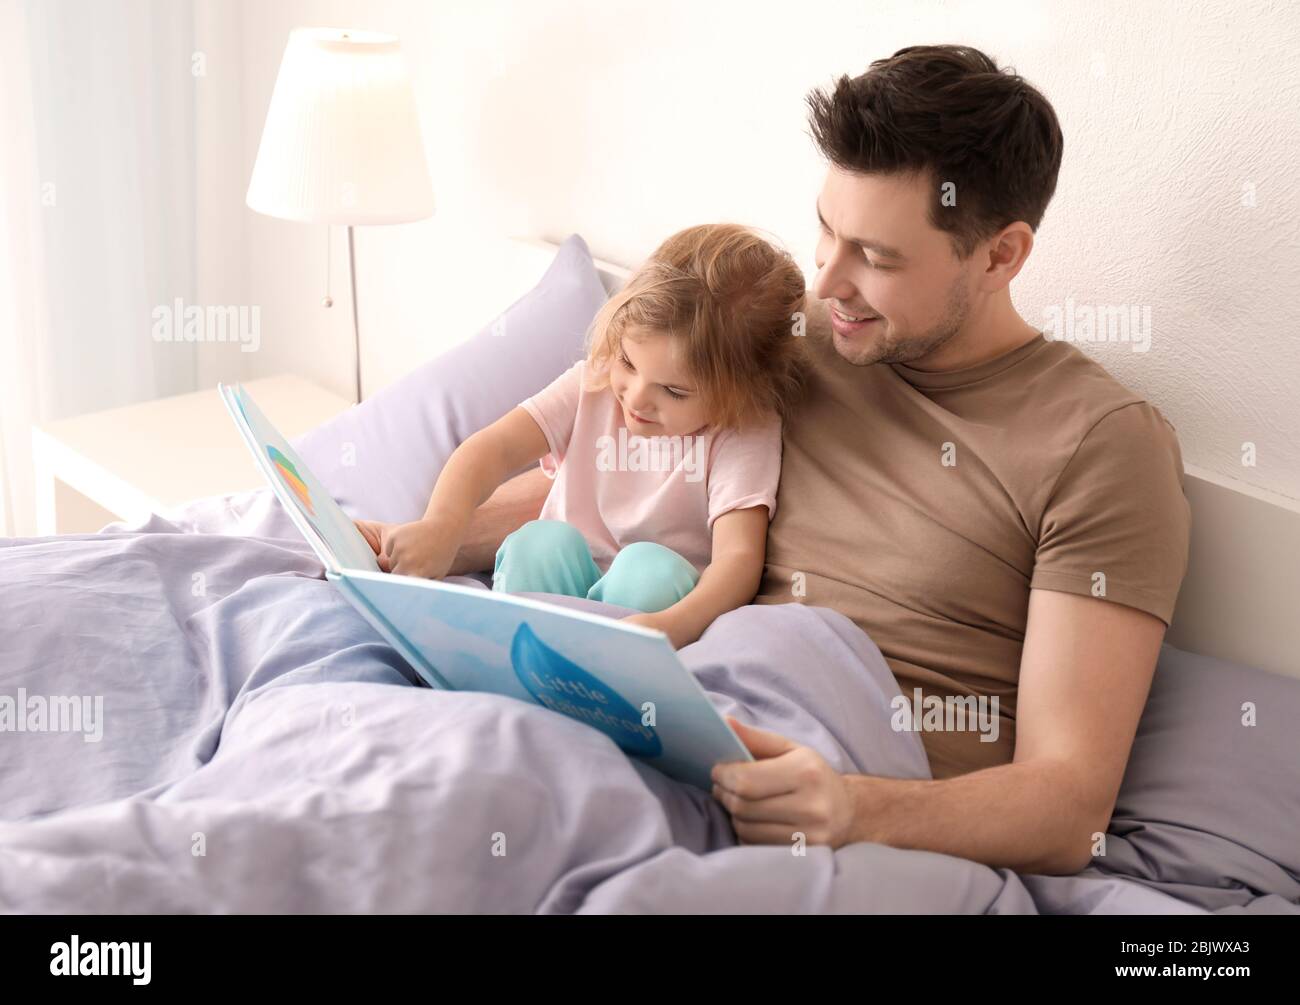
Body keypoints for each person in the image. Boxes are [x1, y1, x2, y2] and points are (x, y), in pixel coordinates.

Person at [437, 45, 1192, 876]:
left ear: (1001, 254)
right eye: (827, 230)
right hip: (685, 713)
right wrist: (418, 546)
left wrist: (853, 805)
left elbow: (1069, 809)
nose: (827, 279)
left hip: (859, 793)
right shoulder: (793, 335)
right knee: (436, 790)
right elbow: (609, 489)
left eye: (877, 256)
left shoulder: (1102, 445)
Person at [356, 223, 806, 650]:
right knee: (540, 542)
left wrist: (674, 626)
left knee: (649, 569)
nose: (636, 399)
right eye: (629, 363)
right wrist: (441, 527)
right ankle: (505, 661)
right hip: (555, 584)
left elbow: (738, 558)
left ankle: (600, 685)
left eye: (673, 391)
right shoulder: (594, 382)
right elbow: (491, 450)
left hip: (647, 610)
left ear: (739, 394)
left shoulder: (743, 429)